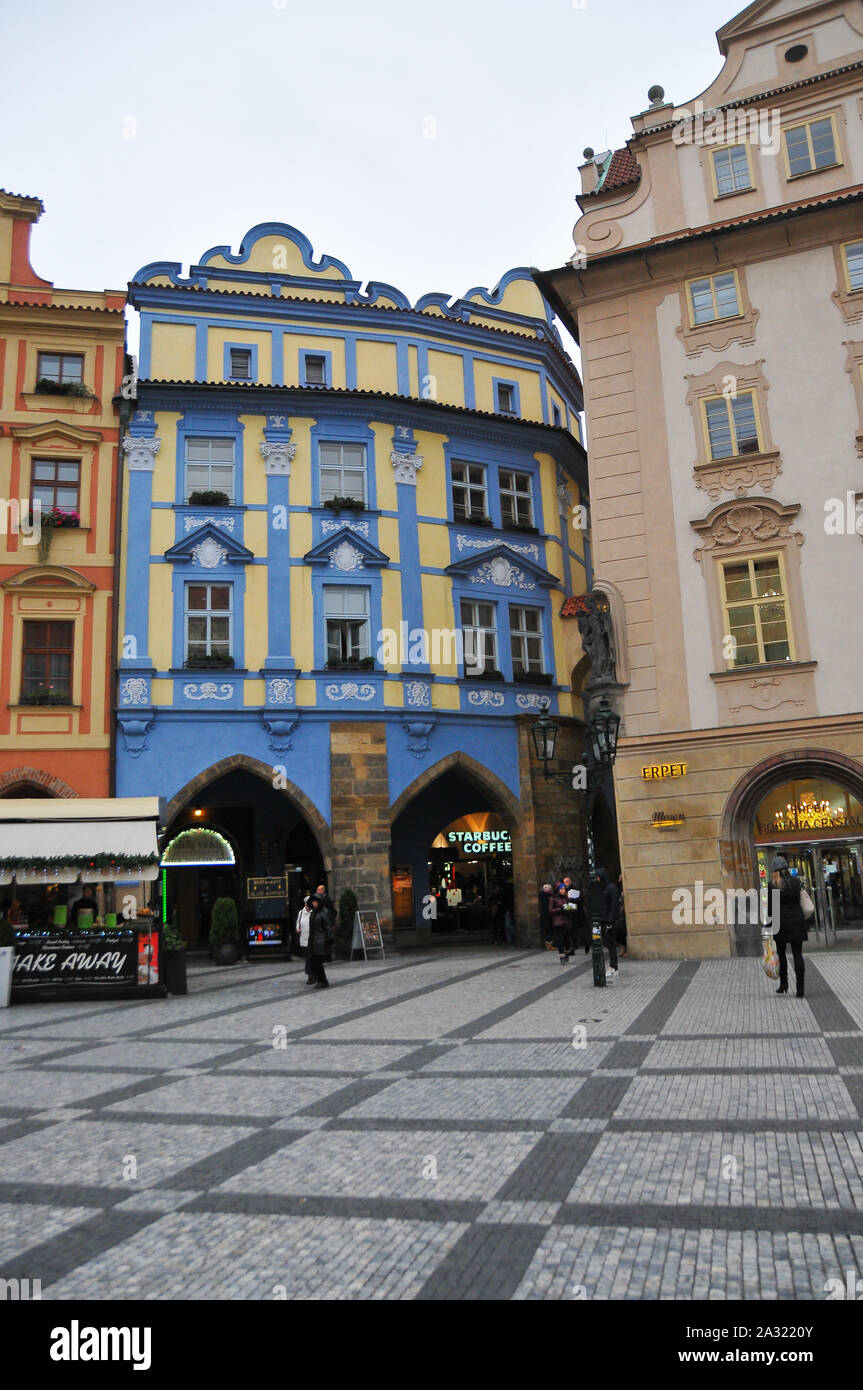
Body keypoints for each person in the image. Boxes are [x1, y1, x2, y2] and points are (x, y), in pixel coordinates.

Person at [767, 856, 807, 997]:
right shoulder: (796, 882)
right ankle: (800, 988)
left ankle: (784, 984)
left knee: (782, 955)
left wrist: (769, 924)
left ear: (774, 870)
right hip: (797, 919)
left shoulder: (773, 884)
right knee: (797, 954)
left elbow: (772, 907)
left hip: (781, 922)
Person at [306, 894, 334, 989]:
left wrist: (329, 939)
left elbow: (328, 926)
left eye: (315, 901)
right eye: (312, 902)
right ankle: (321, 980)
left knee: (317, 962)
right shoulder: (314, 912)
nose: (313, 903)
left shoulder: (324, 912)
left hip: (321, 941)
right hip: (314, 941)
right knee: (314, 962)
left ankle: (322, 981)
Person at [597, 868, 620, 980]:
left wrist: (610, 921)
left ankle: (614, 967)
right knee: (607, 943)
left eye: (598, 876)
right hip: (603, 919)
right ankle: (613, 966)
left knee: (610, 944)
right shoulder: (602, 888)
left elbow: (614, 906)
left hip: (608, 920)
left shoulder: (611, 888)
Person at [549, 883, 571, 965]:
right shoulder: (553, 898)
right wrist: (560, 909)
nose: (563, 891)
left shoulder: (567, 898)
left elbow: (569, 907)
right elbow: (551, 910)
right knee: (560, 940)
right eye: (561, 889)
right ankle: (562, 956)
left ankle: (566, 952)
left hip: (567, 921)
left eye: (564, 889)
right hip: (558, 922)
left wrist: (570, 908)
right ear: (558, 890)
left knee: (567, 940)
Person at [296, 895, 314, 984]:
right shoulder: (301, 912)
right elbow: (298, 923)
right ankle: (311, 975)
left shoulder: (314, 912)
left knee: (310, 958)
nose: (308, 905)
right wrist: (297, 929)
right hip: (303, 940)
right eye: (307, 904)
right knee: (308, 958)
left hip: (313, 940)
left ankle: (312, 975)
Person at [615, 874, 628, 959]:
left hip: (625, 911)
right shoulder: (620, 887)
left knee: (624, 931)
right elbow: (619, 891)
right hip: (621, 912)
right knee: (619, 930)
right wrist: (619, 882)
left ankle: (626, 950)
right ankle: (623, 949)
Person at [539, 883, 555, 949]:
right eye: (550, 889)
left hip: (545, 915)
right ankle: (549, 945)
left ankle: (549, 945)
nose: (551, 890)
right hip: (547, 916)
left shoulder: (544, 895)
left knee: (548, 930)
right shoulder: (546, 896)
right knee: (549, 930)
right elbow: (546, 907)